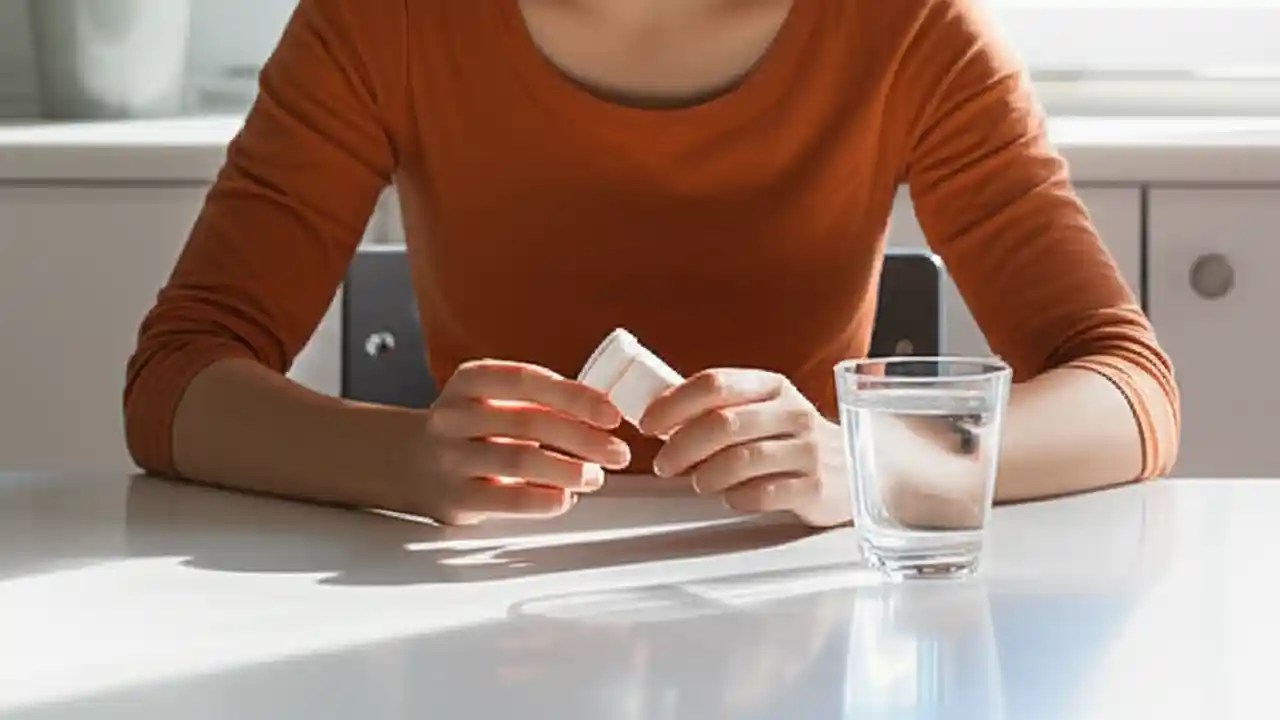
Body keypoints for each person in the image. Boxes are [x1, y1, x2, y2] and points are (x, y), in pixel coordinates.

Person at [124, 0, 1179, 528]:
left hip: (799, 608)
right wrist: (402, 460)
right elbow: (177, 377)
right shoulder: (381, 21)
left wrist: (867, 462)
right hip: (487, 616)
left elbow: (1127, 390)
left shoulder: (908, 29)